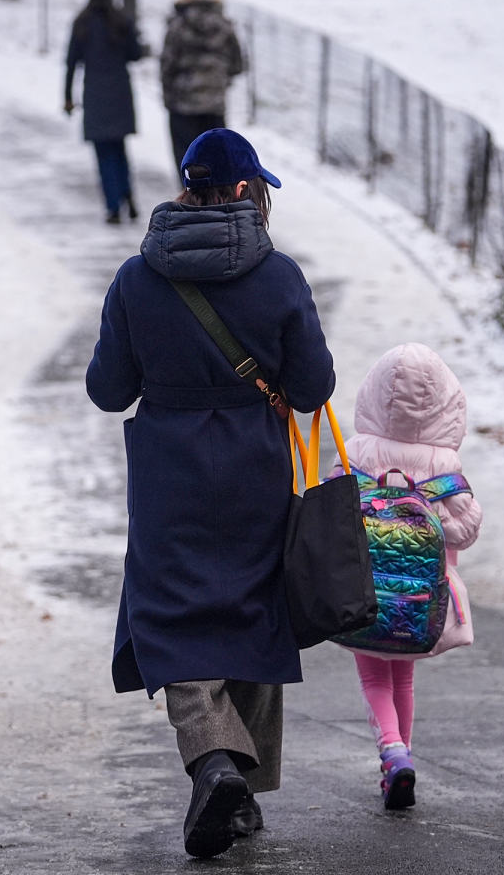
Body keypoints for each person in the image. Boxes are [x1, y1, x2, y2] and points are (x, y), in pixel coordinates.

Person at [85, 129, 335, 858]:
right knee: (252, 610)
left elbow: (108, 390)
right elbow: (314, 386)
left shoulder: (138, 278)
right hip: (256, 470)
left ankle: (216, 764)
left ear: (189, 187)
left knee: (172, 616)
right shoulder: (280, 275)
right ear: (239, 191)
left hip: (169, 477)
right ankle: (240, 791)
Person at [338, 343, 483, 810]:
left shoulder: (356, 451)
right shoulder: (443, 463)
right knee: (403, 679)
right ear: (446, 404)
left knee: (373, 678)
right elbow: (464, 529)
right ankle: (405, 756)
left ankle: (392, 752)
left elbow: (334, 513)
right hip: (422, 599)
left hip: (364, 590)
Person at [65, 0, 143, 224]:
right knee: (120, 148)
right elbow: (135, 54)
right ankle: (128, 195)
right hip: (120, 89)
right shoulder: (121, 20)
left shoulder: (82, 22)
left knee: (103, 152)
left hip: (95, 92)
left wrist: (67, 96)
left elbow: (71, 62)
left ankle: (112, 205)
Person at [160, 0, 245, 169]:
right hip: (214, 103)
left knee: (187, 159)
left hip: (182, 104)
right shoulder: (224, 25)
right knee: (216, 160)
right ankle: (217, 197)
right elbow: (237, 65)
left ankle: (189, 197)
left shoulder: (177, 25)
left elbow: (167, 65)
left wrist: (168, 96)